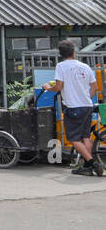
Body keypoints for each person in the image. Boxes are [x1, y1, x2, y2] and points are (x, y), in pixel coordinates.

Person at [42, 39, 102, 176]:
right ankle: (87, 167)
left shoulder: (61, 67)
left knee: (74, 139)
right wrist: (85, 97)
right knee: (86, 136)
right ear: (74, 52)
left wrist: (47, 88)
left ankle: (93, 163)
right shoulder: (85, 66)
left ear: (61, 54)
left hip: (74, 107)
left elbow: (58, 86)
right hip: (87, 105)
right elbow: (95, 87)